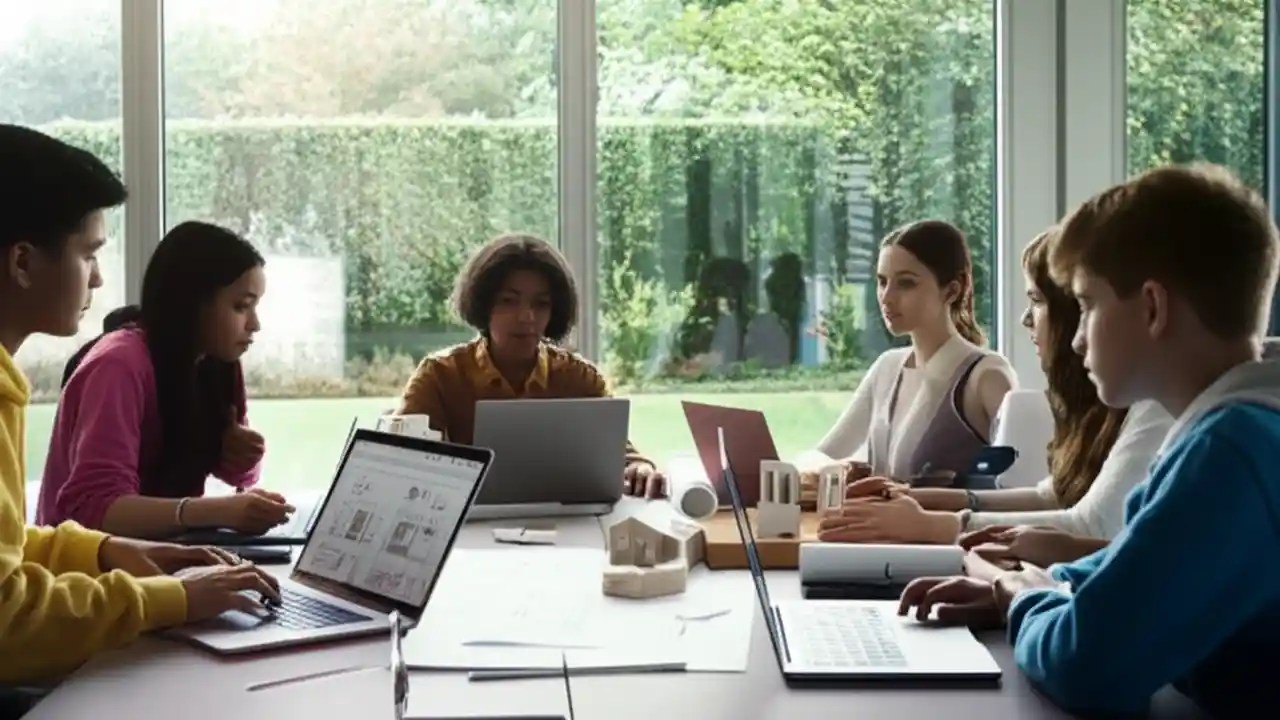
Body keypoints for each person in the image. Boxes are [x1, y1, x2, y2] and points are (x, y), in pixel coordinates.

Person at [899, 164, 1280, 717]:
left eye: (1088, 306)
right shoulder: (1233, 429)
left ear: (1152, 308)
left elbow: (1085, 667)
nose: (1077, 339)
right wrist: (1037, 590)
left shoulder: (1230, 452)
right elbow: (1137, 570)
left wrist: (1023, 596)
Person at [0, 124, 278, 686]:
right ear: (23, 263)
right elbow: (7, 619)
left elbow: (12, 548)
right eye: (88, 254)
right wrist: (171, 598)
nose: (99, 277)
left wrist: (106, 552)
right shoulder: (118, 363)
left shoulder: (214, 367)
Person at [818, 230, 1173, 554]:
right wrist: (914, 498)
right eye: (881, 282)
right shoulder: (1110, 408)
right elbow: (1052, 495)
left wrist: (932, 524)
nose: (1026, 320)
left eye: (1037, 300)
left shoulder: (1156, 408)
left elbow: (1090, 526)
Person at [36, 221, 294, 539]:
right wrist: (221, 511)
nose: (254, 324)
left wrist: (238, 456)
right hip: (82, 565)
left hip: (161, 554)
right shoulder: (118, 366)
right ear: (192, 301)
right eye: (241, 306)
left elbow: (238, 476)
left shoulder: (216, 362)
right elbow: (94, 509)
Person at [397, 233, 664, 497]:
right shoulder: (440, 374)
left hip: (564, 518)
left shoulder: (580, 378)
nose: (526, 317)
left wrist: (640, 468)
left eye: (541, 304)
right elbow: (399, 458)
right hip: (469, 519)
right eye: (508, 301)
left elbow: (620, 454)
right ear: (484, 305)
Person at [798, 220, 1017, 487]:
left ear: (952, 290)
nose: (886, 297)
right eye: (882, 282)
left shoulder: (987, 376)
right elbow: (825, 453)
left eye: (906, 283)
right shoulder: (887, 367)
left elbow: (1019, 483)